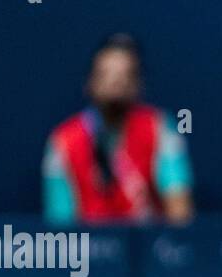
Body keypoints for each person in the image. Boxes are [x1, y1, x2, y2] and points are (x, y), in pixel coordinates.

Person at [43, 35, 193, 224]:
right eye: (106, 74)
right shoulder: (62, 141)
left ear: (139, 85)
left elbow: (180, 214)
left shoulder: (161, 129)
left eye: (125, 75)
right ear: (89, 83)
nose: (116, 83)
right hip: (88, 247)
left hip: (149, 246)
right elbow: (60, 226)